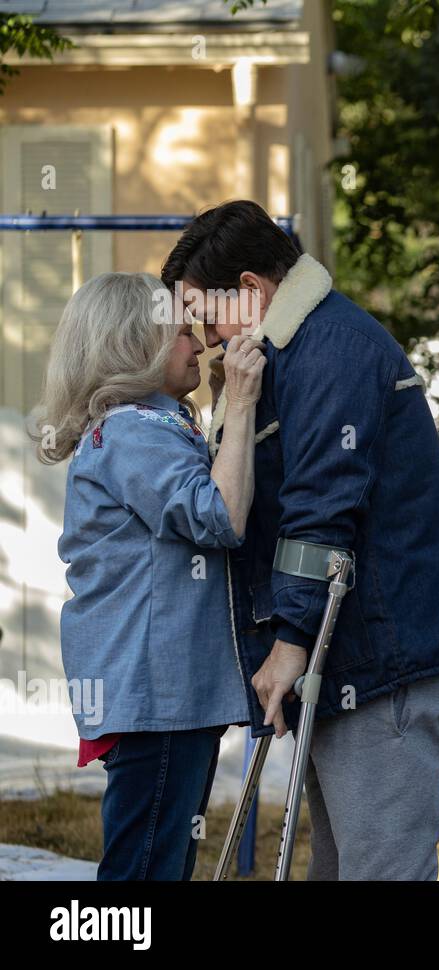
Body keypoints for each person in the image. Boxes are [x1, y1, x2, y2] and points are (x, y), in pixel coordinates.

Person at [161, 200, 439, 880]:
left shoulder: (333, 351)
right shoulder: (292, 349)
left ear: (252, 290)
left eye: (206, 313)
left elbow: (321, 509)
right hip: (350, 660)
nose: (204, 335)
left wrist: (289, 641)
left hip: (385, 661)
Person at [32, 271, 265, 880]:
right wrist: (239, 403)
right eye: (183, 332)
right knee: (145, 870)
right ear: (137, 346)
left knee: (156, 857)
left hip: (159, 691)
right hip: (159, 694)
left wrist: (221, 414)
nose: (199, 342)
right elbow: (218, 515)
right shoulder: (135, 431)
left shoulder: (144, 427)